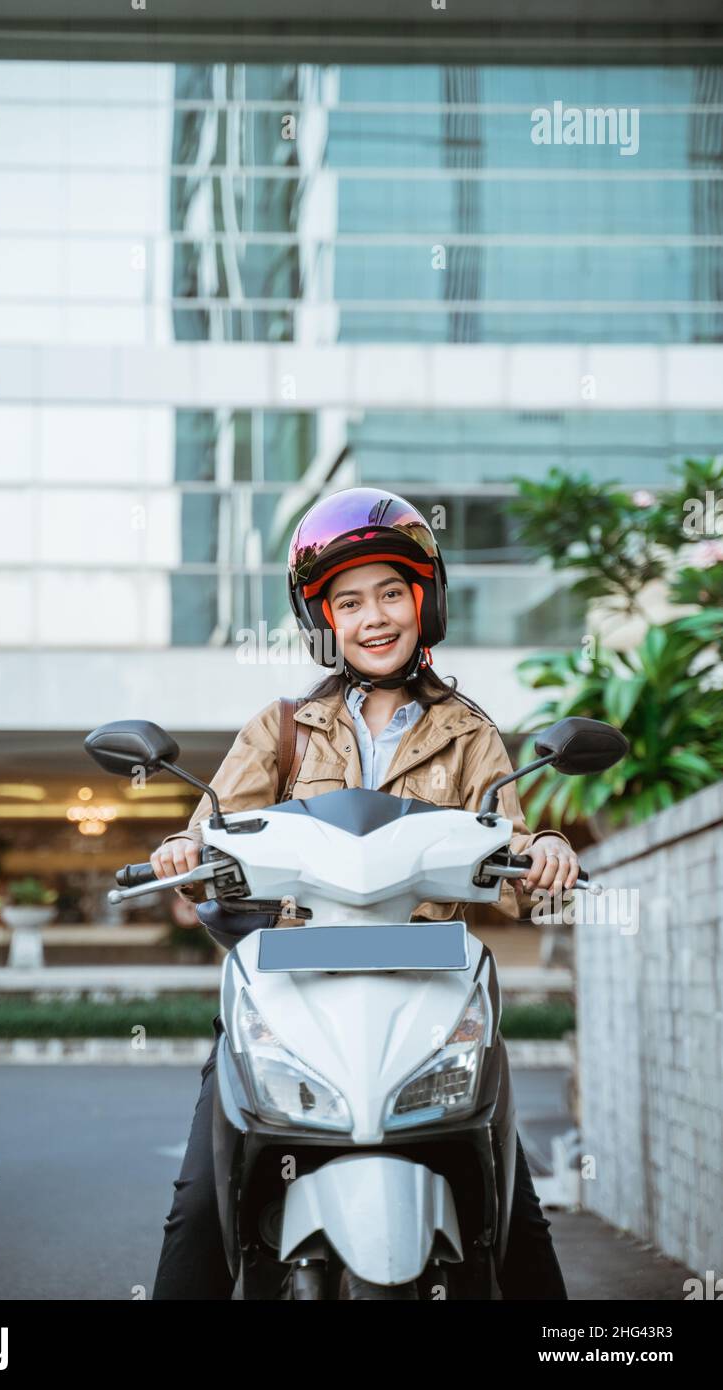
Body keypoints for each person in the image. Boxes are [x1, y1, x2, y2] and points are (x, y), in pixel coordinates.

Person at [150, 486, 577, 1300]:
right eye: (348, 601)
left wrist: (545, 849)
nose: (373, 616)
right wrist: (181, 848)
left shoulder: (470, 733)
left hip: (426, 994)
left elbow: (511, 845)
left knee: (514, 1210)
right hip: (291, 991)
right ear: (324, 621)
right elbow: (211, 827)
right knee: (200, 1207)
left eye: (391, 592)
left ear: (425, 602)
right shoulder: (280, 728)